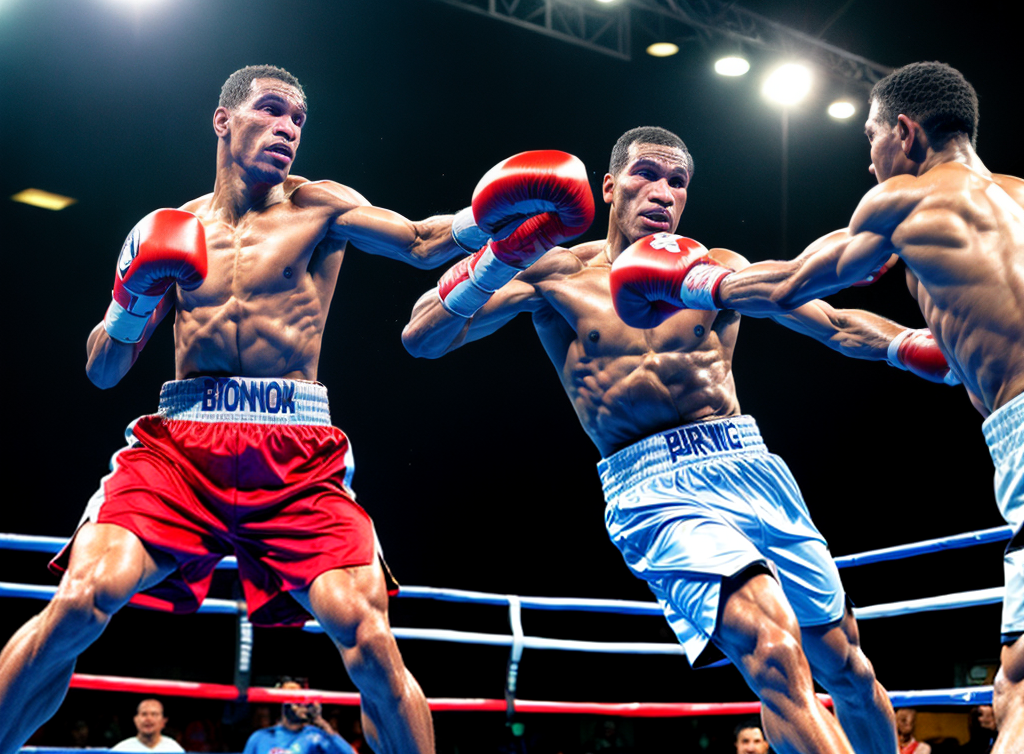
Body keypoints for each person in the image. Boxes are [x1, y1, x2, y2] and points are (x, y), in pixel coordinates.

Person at [0, 64, 587, 754]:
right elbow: (103, 370)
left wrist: (501, 229)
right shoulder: (174, 227)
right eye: (272, 111)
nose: (287, 129)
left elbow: (425, 242)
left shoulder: (322, 207)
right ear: (222, 120)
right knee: (80, 600)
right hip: (181, 449)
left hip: (296, 452)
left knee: (367, 633)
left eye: (298, 120)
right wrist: (130, 303)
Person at [402, 125, 949, 754]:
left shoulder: (714, 271)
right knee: (771, 652)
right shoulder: (554, 273)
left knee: (847, 669)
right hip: (652, 488)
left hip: (748, 465)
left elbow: (833, 322)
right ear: (608, 186)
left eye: (677, 182)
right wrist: (499, 255)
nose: (662, 192)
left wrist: (913, 346)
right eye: (645, 175)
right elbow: (424, 337)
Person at [634, 61, 1023, 754]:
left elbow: (791, 285)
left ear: (904, 133)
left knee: (1018, 691)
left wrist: (692, 283)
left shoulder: (901, 198)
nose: (868, 161)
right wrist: (924, 350)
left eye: (870, 139)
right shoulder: (1017, 197)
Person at [242, 678, 355, 754]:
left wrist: (325, 727)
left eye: (298, 697)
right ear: (282, 702)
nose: (296, 703)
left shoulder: (315, 736)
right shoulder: (259, 737)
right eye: (290, 696)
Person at [110, 699, 184, 753]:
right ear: (136, 720)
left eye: (154, 714)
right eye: (144, 714)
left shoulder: (174, 749)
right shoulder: (121, 750)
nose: (148, 719)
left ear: (163, 721)